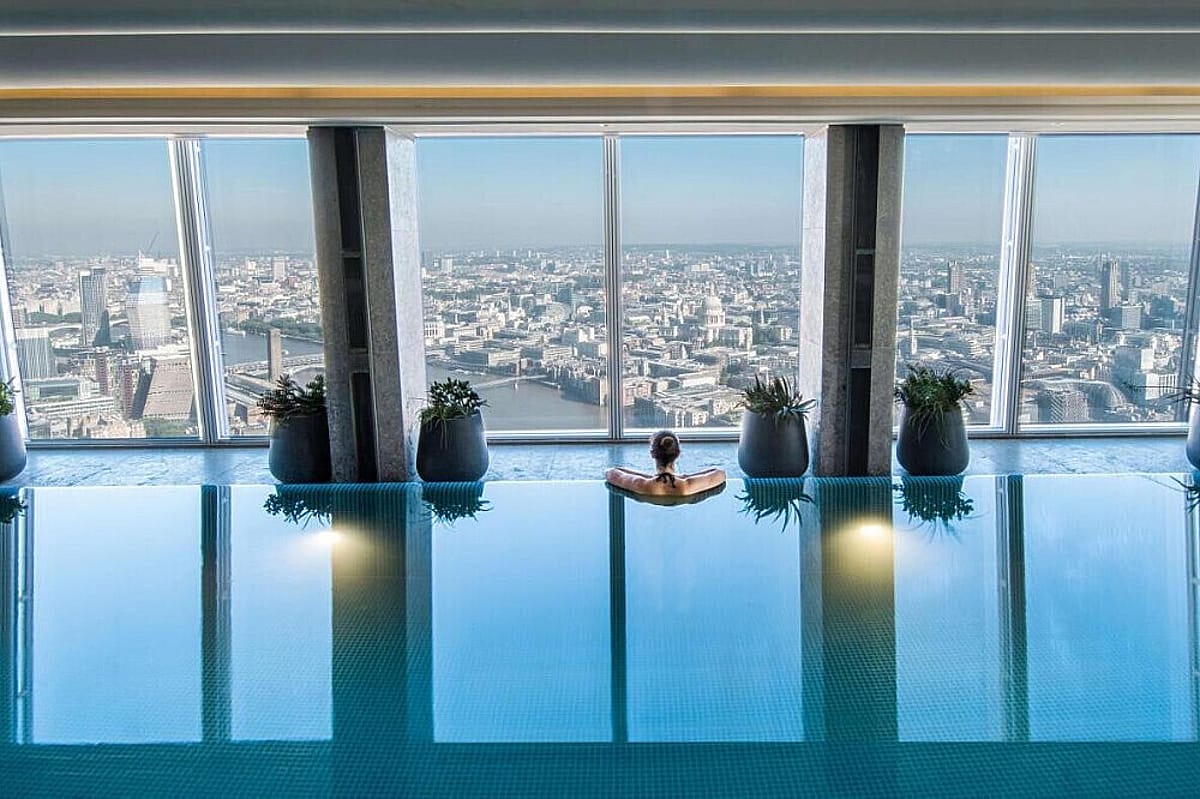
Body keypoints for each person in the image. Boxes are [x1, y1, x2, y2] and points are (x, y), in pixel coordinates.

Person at [605, 430, 727, 497]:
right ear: (678, 454)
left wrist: (649, 477)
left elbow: (611, 472)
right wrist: (684, 477)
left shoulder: (642, 484)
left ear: (652, 454)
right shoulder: (687, 485)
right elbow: (720, 473)